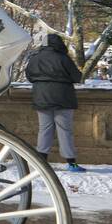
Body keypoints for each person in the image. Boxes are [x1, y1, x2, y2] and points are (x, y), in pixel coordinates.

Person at [25, 33, 86, 173]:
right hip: (63, 97)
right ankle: (71, 163)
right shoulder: (63, 58)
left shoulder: (35, 58)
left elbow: (29, 76)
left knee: (44, 129)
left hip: (42, 97)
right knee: (65, 130)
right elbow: (77, 77)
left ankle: (42, 161)